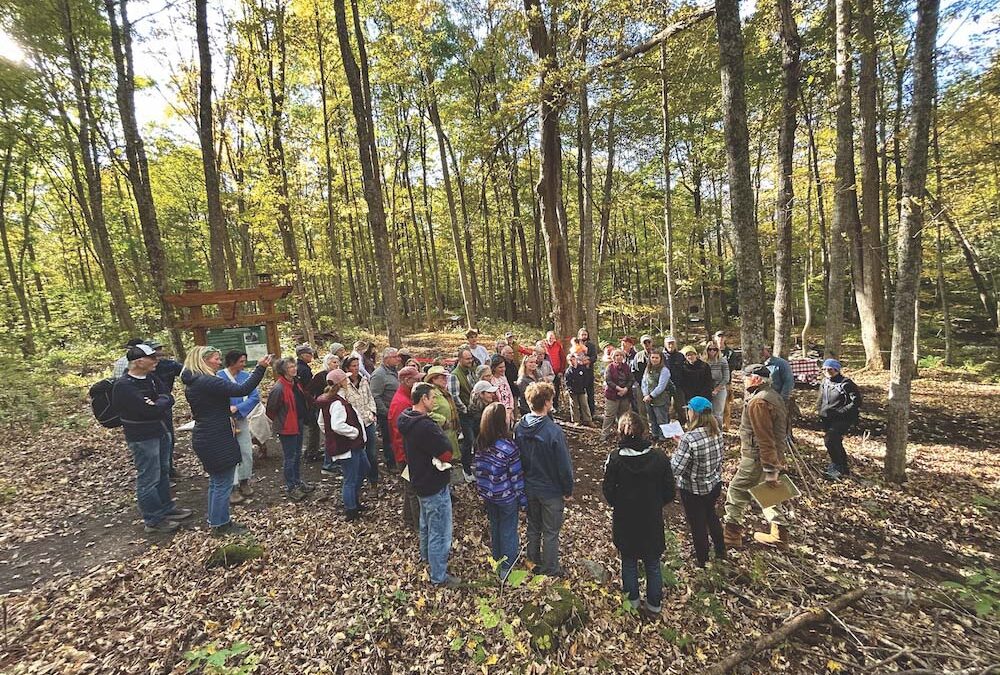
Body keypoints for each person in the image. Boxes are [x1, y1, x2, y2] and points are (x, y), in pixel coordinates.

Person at [182, 346, 271, 536]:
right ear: (203, 360)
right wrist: (261, 367)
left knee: (217, 482)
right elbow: (243, 389)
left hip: (208, 434)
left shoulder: (194, 381)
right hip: (216, 436)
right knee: (222, 483)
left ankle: (217, 522)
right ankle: (221, 524)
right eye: (215, 358)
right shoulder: (207, 381)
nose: (219, 362)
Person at [112, 343, 191, 533]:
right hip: (142, 437)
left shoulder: (151, 378)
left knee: (163, 470)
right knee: (149, 476)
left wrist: (158, 402)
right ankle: (153, 519)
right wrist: (157, 404)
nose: (156, 361)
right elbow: (148, 409)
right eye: (152, 358)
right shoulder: (124, 385)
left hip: (160, 430)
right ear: (139, 361)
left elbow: (167, 397)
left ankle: (166, 508)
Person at [602, 411, 675, 614]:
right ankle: (653, 605)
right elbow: (669, 491)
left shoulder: (616, 459)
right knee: (652, 562)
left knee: (630, 561)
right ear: (642, 431)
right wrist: (654, 503)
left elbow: (608, 491)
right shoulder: (658, 457)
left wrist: (622, 504)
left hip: (627, 520)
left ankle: (633, 604)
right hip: (650, 519)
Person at [398, 382, 461, 587]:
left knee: (426, 524)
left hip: (419, 479)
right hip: (432, 482)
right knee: (440, 531)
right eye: (432, 397)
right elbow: (445, 452)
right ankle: (439, 576)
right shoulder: (424, 426)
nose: (434, 401)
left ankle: (426, 558)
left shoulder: (407, 418)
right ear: (423, 399)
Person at [723, 365, 791, 549]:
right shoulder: (773, 396)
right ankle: (779, 535)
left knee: (737, 491)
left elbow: (765, 437)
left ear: (756, 379)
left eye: (746, 377)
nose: (743, 380)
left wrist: (770, 467)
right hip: (769, 456)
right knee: (769, 492)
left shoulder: (758, 402)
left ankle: (731, 536)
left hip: (757, 458)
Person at [515, 382, 573, 576]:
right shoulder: (553, 431)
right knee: (550, 531)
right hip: (550, 489)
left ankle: (533, 560)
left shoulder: (519, 427)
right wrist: (567, 490)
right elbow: (564, 465)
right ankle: (550, 569)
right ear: (547, 403)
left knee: (534, 526)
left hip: (529, 485)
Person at [670, 396, 726, 567]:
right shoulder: (717, 432)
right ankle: (721, 551)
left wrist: (679, 448)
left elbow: (675, 469)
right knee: (711, 516)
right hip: (713, 485)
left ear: (694, 413)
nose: (687, 412)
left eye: (689, 410)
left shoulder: (690, 439)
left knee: (698, 525)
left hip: (693, 490)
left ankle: (702, 561)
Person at [474, 402, 526, 579]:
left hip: (488, 495)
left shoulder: (480, 442)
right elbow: (516, 477)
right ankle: (507, 568)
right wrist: (523, 500)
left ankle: (497, 560)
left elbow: (478, 470)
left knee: (495, 526)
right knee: (508, 530)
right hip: (506, 497)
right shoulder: (509, 447)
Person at [317, 369, 371, 521]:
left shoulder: (333, 399)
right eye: (345, 379)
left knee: (364, 468)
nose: (348, 381)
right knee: (350, 478)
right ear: (340, 383)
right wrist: (353, 432)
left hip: (354, 445)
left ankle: (353, 500)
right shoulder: (337, 403)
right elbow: (336, 425)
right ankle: (351, 509)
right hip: (347, 447)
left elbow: (322, 422)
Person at [266, 357, 313, 502]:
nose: (294, 369)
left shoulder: (295, 382)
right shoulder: (279, 388)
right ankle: (291, 486)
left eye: (294, 366)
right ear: (283, 370)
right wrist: (283, 421)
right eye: (290, 367)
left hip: (297, 422)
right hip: (287, 426)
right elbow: (271, 410)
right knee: (290, 457)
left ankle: (298, 482)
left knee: (297, 454)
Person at [218, 350, 260, 504]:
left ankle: (244, 480)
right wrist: (227, 409)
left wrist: (239, 408)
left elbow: (254, 396)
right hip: (224, 421)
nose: (243, 364)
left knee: (246, 451)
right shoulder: (219, 377)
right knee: (230, 454)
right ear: (232, 361)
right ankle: (232, 486)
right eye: (241, 361)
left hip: (241, 418)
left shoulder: (246, 377)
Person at [389, 366, 423, 530]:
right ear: (406, 381)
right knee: (413, 491)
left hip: (407, 454)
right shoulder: (401, 403)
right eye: (416, 379)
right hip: (406, 455)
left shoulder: (407, 397)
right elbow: (398, 435)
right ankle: (418, 526)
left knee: (409, 489)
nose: (419, 382)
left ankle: (408, 518)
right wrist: (407, 458)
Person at [817, 359, 862, 480]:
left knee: (830, 440)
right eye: (824, 369)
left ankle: (837, 467)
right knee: (835, 442)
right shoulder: (825, 382)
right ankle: (842, 466)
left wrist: (840, 412)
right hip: (827, 418)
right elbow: (821, 398)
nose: (827, 371)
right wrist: (819, 411)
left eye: (830, 369)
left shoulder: (846, 384)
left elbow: (857, 402)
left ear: (837, 370)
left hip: (843, 419)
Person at [147, 340, 183, 480]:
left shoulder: (169, 365)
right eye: (156, 351)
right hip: (149, 407)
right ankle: (162, 471)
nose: (159, 354)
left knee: (167, 437)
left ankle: (167, 469)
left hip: (164, 404)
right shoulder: (145, 368)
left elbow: (186, 373)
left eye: (159, 350)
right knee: (157, 439)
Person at [342, 356, 380, 486]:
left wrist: (372, 412)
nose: (356, 368)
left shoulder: (364, 380)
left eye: (357, 365)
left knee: (372, 453)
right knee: (358, 455)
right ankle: (357, 482)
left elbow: (370, 398)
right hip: (354, 425)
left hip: (368, 421)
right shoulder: (343, 384)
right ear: (347, 368)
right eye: (353, 366)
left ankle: (373, 480)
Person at [423, 366, 462, 472]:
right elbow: (427, 412)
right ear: (434, 379)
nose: (445, 380)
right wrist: (443, 420)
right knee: (442, 460)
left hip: (450, 432)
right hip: (440, 433)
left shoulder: (444, 392)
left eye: (446, 377)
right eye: (442, 377)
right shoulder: (432, 394)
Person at [448, 348, 478, 483]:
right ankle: (466, 469)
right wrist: (465, 409)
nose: (470, 360)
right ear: (460, 360)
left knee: (477, 439)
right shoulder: (454, 375)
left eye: (471, 358)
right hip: (465, 415)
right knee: (469, 441)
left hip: (475, 412)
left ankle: (475, 464)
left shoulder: (471, 371)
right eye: (467, 359)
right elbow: (454, 396)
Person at [370, 347, 401, 471]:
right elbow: (375, 395)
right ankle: (391, 463)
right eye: (395, 357)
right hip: (387, 414)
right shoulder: (379, 375)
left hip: (397, 412)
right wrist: (386, 412)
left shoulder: (394, 371)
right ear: (386, 359)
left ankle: (398, 460)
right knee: (389, 439)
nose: (398, 359)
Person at [296, 344, 322, 463]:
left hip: (303, 401)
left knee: (312, 427)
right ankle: (312, 453)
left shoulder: (300, 367)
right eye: (309, 354)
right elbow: (308, 388)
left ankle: (310, 450)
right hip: (306, 402)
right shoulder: (304, 370)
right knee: (314, 427)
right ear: (302, 355)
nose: (311, 356)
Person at [601, 349, 634, 441]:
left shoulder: (626, 367)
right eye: (616, 355)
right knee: (609, 415)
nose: (618, 357)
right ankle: (604, 434)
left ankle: (622, 434)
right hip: (612, 395)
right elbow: (608, 381)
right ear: (613, 357)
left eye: (620, 355)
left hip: (625, 394)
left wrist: (625, 389)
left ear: (623, 357)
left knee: (623, 416)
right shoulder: (610, 367)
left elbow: (631, 379)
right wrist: (619, 389)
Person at [642, 350, 672, 441]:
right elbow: (644, 382)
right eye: (652, 357)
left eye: (656, 358)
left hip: (660, 398)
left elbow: (661, 386)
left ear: (660, 359)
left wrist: (651, 396)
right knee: (652, 419)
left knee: (661, 419)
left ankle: (663, 437)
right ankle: (655, 435)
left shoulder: (664, 370)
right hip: (648, 399)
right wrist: (645, 394)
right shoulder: (648, 369)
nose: (654, 359)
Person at [564, 351, 594, 426]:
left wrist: (584, 386)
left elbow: (586, 378)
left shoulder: (582, 368)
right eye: (570, 360)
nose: (572, 361)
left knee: (584, 404)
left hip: (581, 390)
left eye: (573, 359)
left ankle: (588, 420)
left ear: (576, 359)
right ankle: (576, 420)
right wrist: (569, 389)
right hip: (573, 391)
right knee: (574, 406)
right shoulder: (568, 371)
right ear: (568, 362)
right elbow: (567, 382)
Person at [705, 342, 731, 427]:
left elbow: (726, 378)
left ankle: (718, 432)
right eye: (710, 349)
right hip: (707, 388)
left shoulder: (722, 361)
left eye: (715, 349)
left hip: (720, 389)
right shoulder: (704, 361)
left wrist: (717, 389)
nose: (712, 351)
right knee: (706, 413)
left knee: (717, 413)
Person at [663, 336, 687, 421]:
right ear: (665, 344)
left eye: (672, 343)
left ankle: (683, 424)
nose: (670, 345)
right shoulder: (661, 356)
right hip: (664, 386)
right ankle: (666, 426)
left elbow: (685, 370)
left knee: (681, 407)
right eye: (669, 343)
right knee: (665, 408)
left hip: (678, 385)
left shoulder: (680, 356)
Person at [577, 328, 599, 416]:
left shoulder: (591, 346)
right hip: (578, 373)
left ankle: (591, 412)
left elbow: (594, 357)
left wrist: (588, 360)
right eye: (582, 335)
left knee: (590, 393)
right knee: (579, 393)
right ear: (579, 335)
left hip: (589, 372)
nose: (584, 336)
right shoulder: (576, 345)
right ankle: (581, 413)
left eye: (585, 334)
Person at [543, 331, 566, 411]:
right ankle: (546, 406)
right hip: (546, 372)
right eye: (549, 337)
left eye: (552, 337)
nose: (551, 339)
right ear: (546, 338)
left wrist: (561, 371)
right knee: (546, 389)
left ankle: (555, 405)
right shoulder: (544, 345)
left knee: (556, 389)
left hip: (557, 371)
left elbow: (563, 358)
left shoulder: (558, 345)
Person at [490, 355, 516, 422]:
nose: (503, 369)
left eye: (504, 367)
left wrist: (510, 408)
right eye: (500, 367)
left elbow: (509, 393)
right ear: (494, 368)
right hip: (500, 411)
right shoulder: (492, 380)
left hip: (509, 408)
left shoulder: (503, 377)